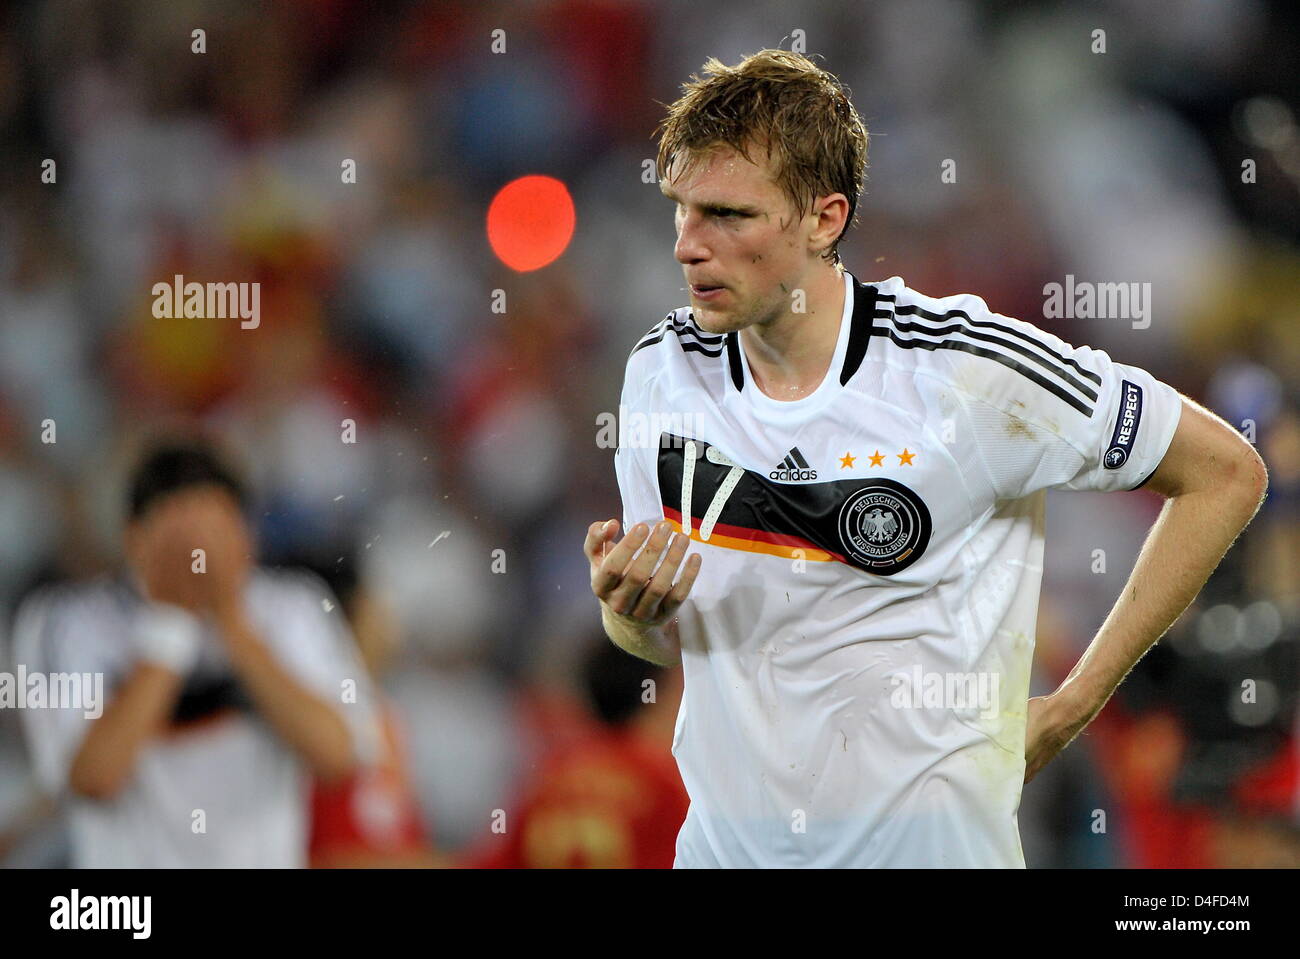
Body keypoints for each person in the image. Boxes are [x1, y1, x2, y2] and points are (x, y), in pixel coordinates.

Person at [582, 50, 1269, 868]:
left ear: (823, 219)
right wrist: (630, 610)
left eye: (729, 214)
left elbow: (1225, 471)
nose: (689, 246)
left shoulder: (965, 369)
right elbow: (666, 641)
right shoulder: (660, 372)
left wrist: (1076, 701)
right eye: (681, 210)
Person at [14, 437, 379, 867]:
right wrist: (170, 625)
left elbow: (337, 757)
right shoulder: (69, 621)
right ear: (134, 540)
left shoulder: (293, 608)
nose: (197, 555)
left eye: (214, 533)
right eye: (180, 538)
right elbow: (93, 778)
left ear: (246, 537)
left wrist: (233, 625)